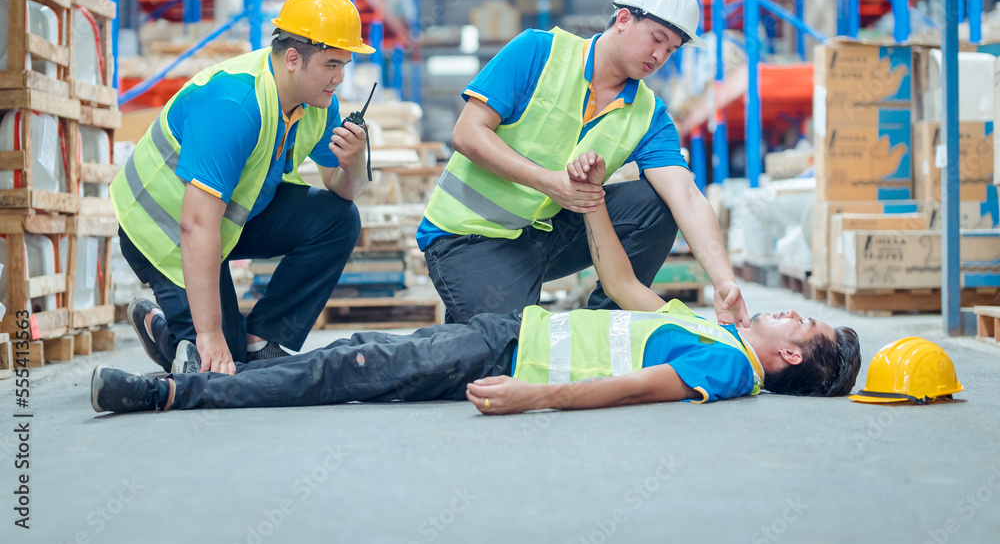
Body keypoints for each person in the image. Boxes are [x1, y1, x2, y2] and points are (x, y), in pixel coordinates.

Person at [91, 152, 862, 415]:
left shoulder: (730, 368)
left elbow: (631, 386)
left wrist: (538, 397)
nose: (792, 313)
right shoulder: (714, 333)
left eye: (802, 324)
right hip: (512, 331)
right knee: (356, 354)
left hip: (512, 361)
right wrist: (590, 197)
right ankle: (197, 355)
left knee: (347, 369)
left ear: (792, 357)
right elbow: (623, 284)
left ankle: (172, 391)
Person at [418, 0, 750, 328]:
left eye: (671, 50)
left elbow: (686, 195)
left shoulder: (648, 113)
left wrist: (723, 281)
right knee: (508, 346)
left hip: (545, 235)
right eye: (657, 39)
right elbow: (467, 133)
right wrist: (549, 182)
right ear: (623, 20)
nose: (660, 56)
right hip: (469, 237)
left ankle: (605, 327)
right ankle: (473, 321)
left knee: (658, 204)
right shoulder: (538, 52)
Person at [111, 0, 375, 376]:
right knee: (218, 360)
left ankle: (260, 339)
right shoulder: (233, 105)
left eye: (345, 65)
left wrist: (355, 164)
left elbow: (343, 190)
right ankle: (163, 328)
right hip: (163, 230)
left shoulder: (318, 102)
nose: (339, 78)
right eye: (332, 64)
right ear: (292, 59)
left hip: (228, 219)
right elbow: (196, 225)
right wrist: (211, 333)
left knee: (340, 219)